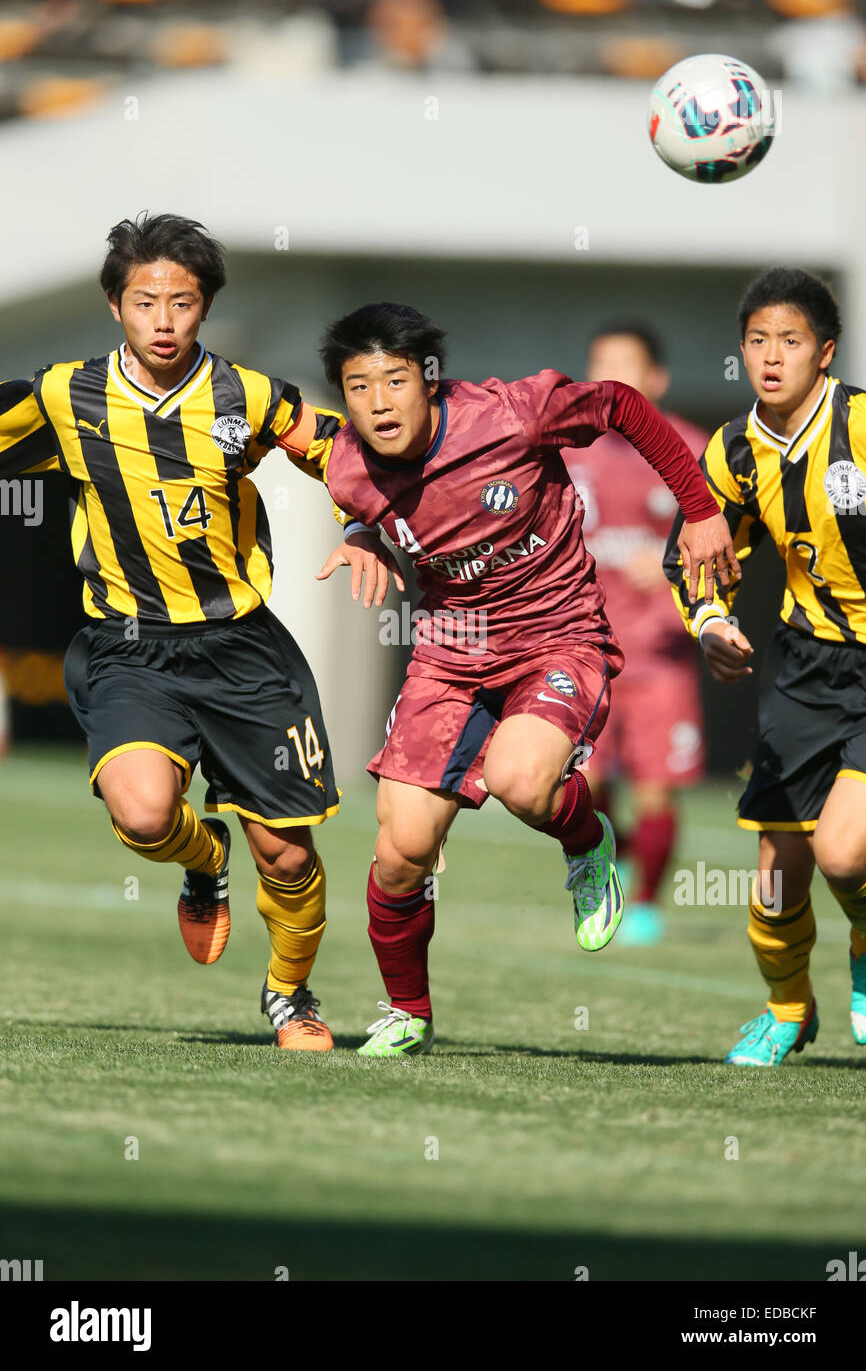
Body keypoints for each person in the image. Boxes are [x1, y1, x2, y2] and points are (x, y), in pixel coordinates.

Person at [0, 213, 399, 1052]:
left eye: (182, 302)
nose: (164, 321)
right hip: (129, 648)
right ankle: (202, 860)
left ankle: (290, 995)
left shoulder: (244, 397)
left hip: (241, 649)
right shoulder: (65, 396)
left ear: (205, 305)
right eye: (146, 301)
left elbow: (335, 449)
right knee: (145, 815)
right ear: (115, 306)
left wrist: (367, 524)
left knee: (288, 858)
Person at [298, 301, 734, 1056]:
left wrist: (698, 509)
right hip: (449, 654)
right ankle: (409, 1011)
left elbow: (623, 405)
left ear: (428, 382)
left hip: (557, 638)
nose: (378, 403)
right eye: (358, 387)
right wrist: (360, 534)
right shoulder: (346, 462)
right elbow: (356, 498)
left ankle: (588, 843)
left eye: (394, 382)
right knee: (401, 849)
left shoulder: (510, 413)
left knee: (522, 781)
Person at [663, 265, 866, 1066]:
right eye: (756, 341)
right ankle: (788, 1009)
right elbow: (692, 556)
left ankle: (861, 952)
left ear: (827, 351)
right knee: (777, 875)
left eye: (790, 340)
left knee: (846, 852)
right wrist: (710, 621)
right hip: (806, 669)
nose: (771, 356)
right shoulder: (735, 452)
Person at [562, 323, 708, 946]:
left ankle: (645, 904)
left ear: (657, 380)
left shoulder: (693, 451)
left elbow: (730, 551)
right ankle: (607, 866)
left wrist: (674, 570)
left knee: (655, 790)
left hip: (660, 655)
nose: (612, 381)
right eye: (601, 368)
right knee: (582, 785)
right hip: (585, 651)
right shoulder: (566, 452)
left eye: (626, 367)